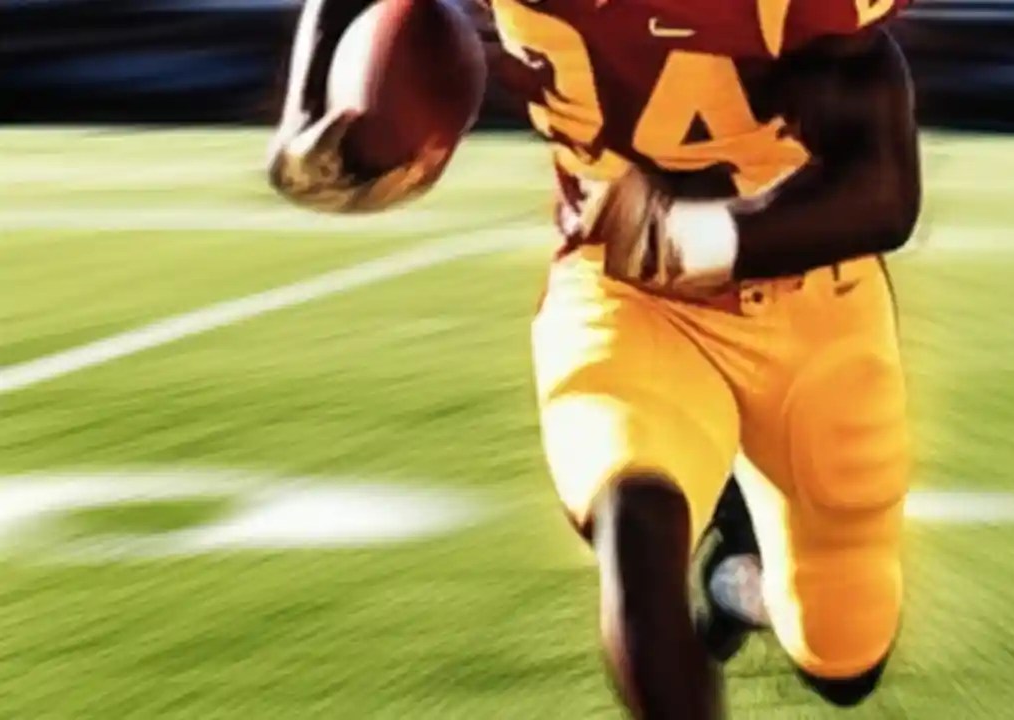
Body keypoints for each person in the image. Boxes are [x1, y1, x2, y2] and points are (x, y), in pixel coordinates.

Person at [269, 1, 920, 716]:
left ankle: (743, 574)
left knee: (842, 664)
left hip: (810, 295)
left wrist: (692, 240)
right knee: (633, 520)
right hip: (623, 286)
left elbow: (883, 193)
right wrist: (307, 121)